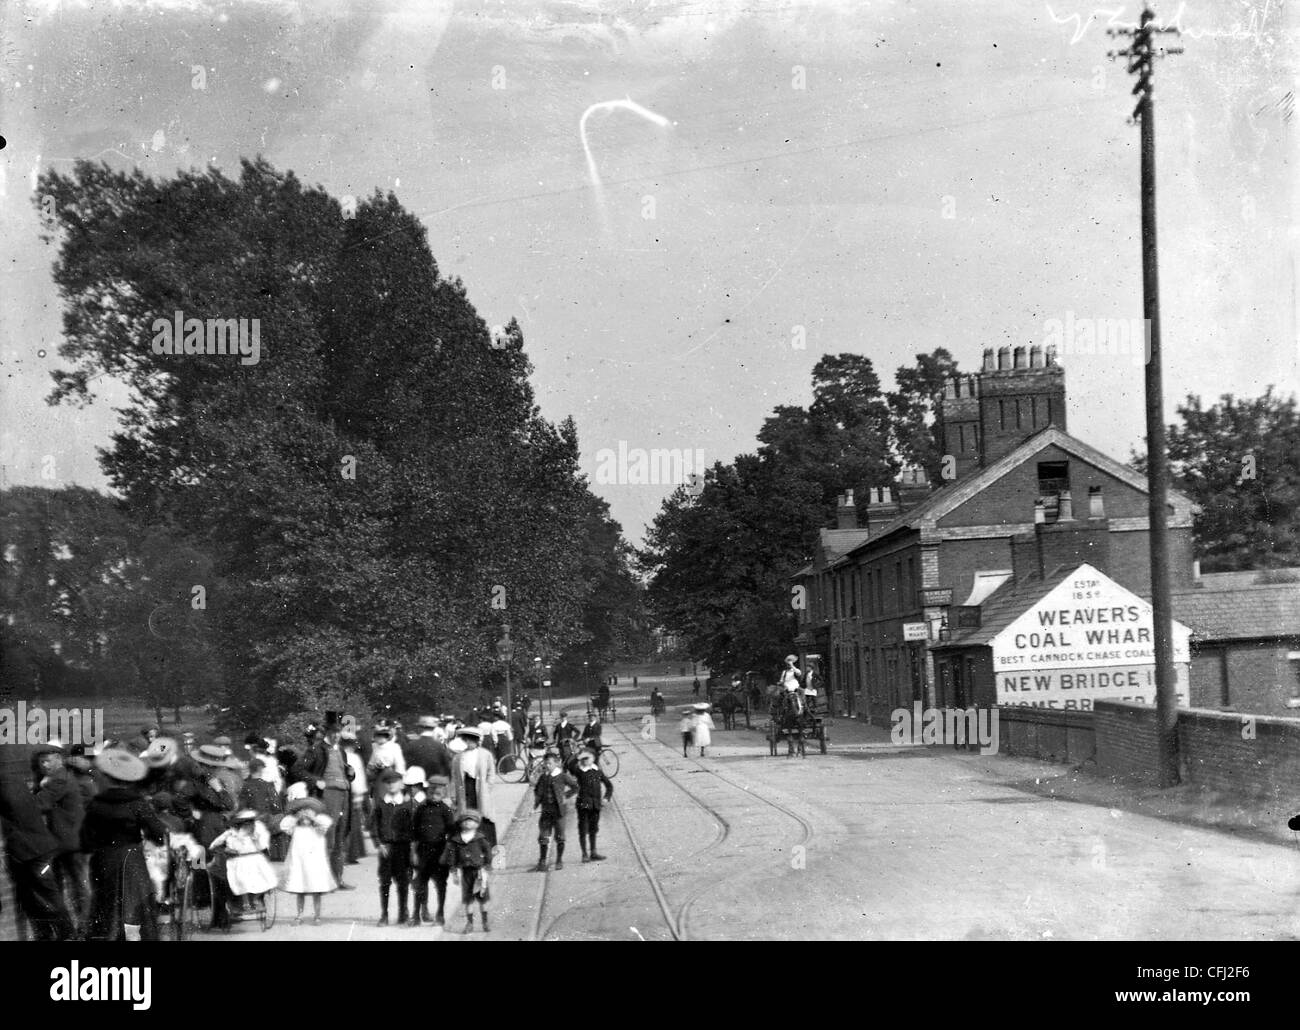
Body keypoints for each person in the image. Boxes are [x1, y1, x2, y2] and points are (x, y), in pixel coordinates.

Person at [81, 749, 168, 941]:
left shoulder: (96, 804)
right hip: (132, 858)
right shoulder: (137, 803)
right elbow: (158, 833)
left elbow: (86, 841)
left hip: (104, 859)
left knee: (106, 900)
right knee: (135, 899)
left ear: (107, 777)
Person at [0, 763, 74, 941]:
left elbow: (19, 816)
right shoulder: (12, 779)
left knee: (47, 895)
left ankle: (67, 934)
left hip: (32, 851)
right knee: (34, 898)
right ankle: (51, 934)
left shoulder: (6, 786)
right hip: (32, 850)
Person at [31, 743, 89, 938]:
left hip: (67, 843)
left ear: (58, 760)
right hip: (67, 841)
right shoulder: (58, 777)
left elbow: (40, 803)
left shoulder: (58, 780)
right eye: (41, 762)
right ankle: (80, 926)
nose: (44, 765)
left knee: (74, 886)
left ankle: (84, 927)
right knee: (73, 885)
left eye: (48, 761)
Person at [301, 720, 355, 889]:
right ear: (326, 734)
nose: (336, 735)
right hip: (328, 796)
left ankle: (337, 878)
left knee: (340, 838)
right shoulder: (316, 750)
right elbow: (298, 770)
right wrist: (316, 781)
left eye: (338, 732)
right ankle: (323, 881)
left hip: (344, 795)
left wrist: (351, 774)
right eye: (333, 732)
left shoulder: (341, 752)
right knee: (327, 838)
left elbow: (345, 773)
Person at [368, 768, 415, 926]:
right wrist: (379, 843)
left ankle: (403, 913)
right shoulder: (381, 804)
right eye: (388, 783)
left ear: (401, 784)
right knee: (385, 881)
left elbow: (414, 826)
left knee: (403, 881)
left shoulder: (408, 805)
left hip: (403, 847)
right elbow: (373, 825)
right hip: (386, 848)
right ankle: (384, 914)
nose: (391, 786)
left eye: (394, 782)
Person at [209, 810, 278, 917]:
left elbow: (263, 845)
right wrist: (225, 849)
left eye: (250, 822)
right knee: (243, 880)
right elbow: (216, 843)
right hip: (239, 860)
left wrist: (256, 838)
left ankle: (255, 899)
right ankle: (245, 903)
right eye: (245, 822)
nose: (248, 824)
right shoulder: (232, 832)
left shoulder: (256, 831)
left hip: (255, 859)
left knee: (268, 879)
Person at [280, 796, 336, 925]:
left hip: (315, 862)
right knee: (300, 889)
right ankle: (299, 915)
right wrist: (297, 819)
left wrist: (313, 818)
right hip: (299, 862)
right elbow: (285, 826)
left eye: (308, 811)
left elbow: (324, 827)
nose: (305, 814)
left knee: (316, 889)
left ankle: (317, 916)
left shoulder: (319, 825)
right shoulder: (294, 826)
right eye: (302, 811)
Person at [441, 809, 492, 934]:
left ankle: (485, 921)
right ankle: (469, 923)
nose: (468, 823)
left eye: (472, 821)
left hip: (479, 872)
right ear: (461, 823)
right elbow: (452, 856)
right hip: (466, 873)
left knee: (482, 897)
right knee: (468, 898)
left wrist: (487, 864)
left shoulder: (480, 839)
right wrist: (453, 869)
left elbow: (488, 852)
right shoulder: (457, 840)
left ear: (477, 824)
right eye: (466, 821)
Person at [412, 774, 454, 927]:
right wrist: (413, 853)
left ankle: (440, 914)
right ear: (427, 792)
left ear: (443, 794)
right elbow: (414, 832)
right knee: (421, 883)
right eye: (431, 793)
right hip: (423, 852)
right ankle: (417, 914)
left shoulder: (445, 810)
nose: (434, 796)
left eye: (438, 794)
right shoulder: (421, 809)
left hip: (440, 852)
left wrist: (447, 853)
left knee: (441, 884)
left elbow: (452, 833)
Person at [450, 727, 499, 848]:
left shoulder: (485, 754)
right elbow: (454, 777)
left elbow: (491, 773)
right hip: (465, 790)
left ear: (477, 741)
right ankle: (468, 847)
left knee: (484, 816)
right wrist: (453, 795)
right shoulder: (458, 757)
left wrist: (487, 787)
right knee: (466, 816)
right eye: (466, 741)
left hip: (481, 789)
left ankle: (488, 847)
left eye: (471, 741)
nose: (468, 744)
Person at [532, 749, 578, 872]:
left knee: (560, 837)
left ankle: (559, 860)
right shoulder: (543, 777)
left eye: (550, 763)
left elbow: (575, 787)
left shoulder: (562, 776)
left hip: (559, 812)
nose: (547, 766)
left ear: (557, 763)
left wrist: (566, 796)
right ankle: (542, 861)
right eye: (545, 764)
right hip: (546, 812)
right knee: (543, 836)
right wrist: (536, 803)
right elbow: (537, 790)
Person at [573, 749, 614, 863]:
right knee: (583, 829)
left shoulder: (598, 771)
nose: (585, 761)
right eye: (583, 759)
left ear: (594, 758)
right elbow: (572, 766)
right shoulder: (579, 771)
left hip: (596, 805)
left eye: (587, 758)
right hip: (583, 805)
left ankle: (593, 852)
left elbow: (609, 786)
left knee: (593, 829)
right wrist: (579, 757)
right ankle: (584, 854)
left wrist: (606, 798)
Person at [342, 734, 369, 864]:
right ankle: (350, 854)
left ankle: (349, 854)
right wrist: (360, 795)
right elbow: (359, 779)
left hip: (346, 791)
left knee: (348, 823)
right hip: (353, 792)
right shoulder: (354, 758)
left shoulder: (342, 756)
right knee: (352, 823)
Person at [403, 716, 453, 781]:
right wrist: (449, 776)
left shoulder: (412, 745)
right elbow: (446, 764)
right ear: (434, 728)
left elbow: (406, 764)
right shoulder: (439, 746)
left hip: (416, 782)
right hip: (434, 782)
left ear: (420, 728)